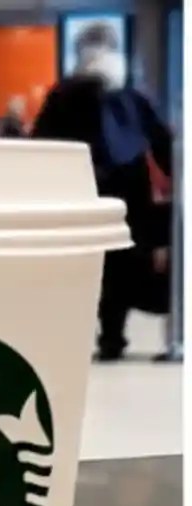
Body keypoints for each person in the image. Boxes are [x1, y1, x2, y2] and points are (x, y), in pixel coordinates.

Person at [32, 24, 174, 362]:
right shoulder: (131, 98)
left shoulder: (62, 97)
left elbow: (40, 145)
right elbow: (163, 142)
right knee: (119, 264)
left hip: (80, 192)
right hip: (126, 195)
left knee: (92, 267)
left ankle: (95, 336)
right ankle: (111, 335)